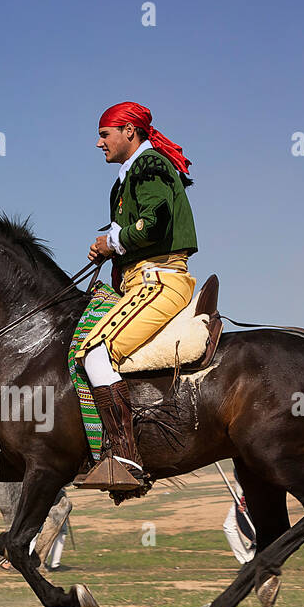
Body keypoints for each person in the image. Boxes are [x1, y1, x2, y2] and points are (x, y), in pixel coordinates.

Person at [75, 102, 198, 495]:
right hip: (137, 279)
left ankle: (125, 458)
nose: (99, 143)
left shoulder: (149, 166)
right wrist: (109, 246)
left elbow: (153, 222)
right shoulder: (127, 178)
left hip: (158, 280)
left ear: (130, 131)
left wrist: (111, 241)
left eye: (105, 134)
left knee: (95, 352)